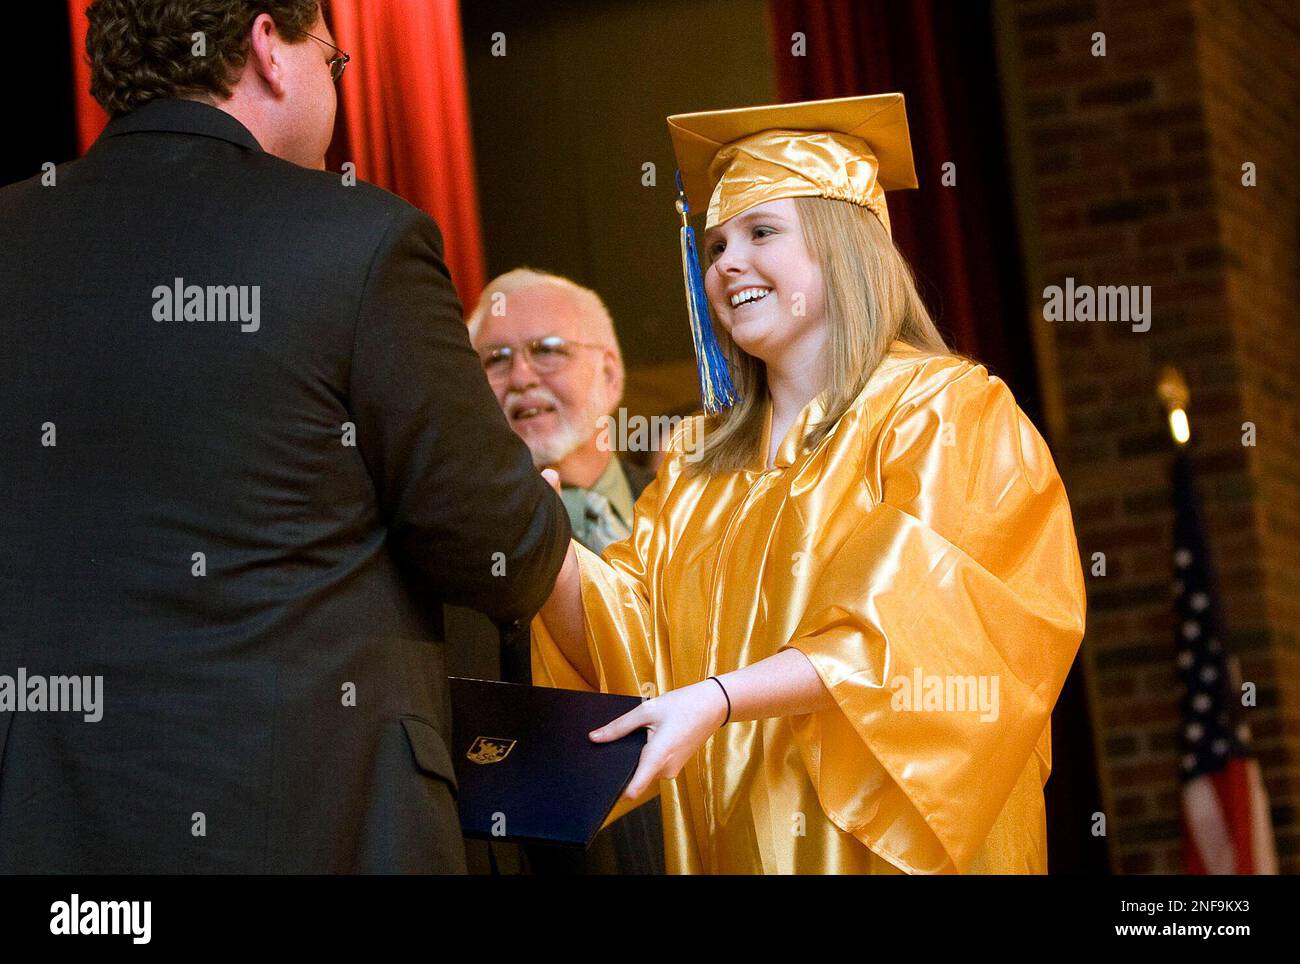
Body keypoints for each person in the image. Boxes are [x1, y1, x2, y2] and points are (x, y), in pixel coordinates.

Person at [0, 0, 570, 873]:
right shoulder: (361, 240)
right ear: (270, 47)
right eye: (332, 62)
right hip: (318, 819)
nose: (336, 88)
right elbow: (498, 547)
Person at [532, 93, 1087, 874]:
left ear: (843, 244)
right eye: (716, 243)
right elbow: (632, 641)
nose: (727, 262)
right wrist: (534, 537)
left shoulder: (946, 412)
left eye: (762, 231)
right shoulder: (696, 463)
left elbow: (923, 630)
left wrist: (721, 698)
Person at [460, 268, 664, 874]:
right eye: (495, 359)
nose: (521, 376)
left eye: (547, 351)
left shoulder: (693, 517)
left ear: (610, 372)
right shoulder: (457, 555)